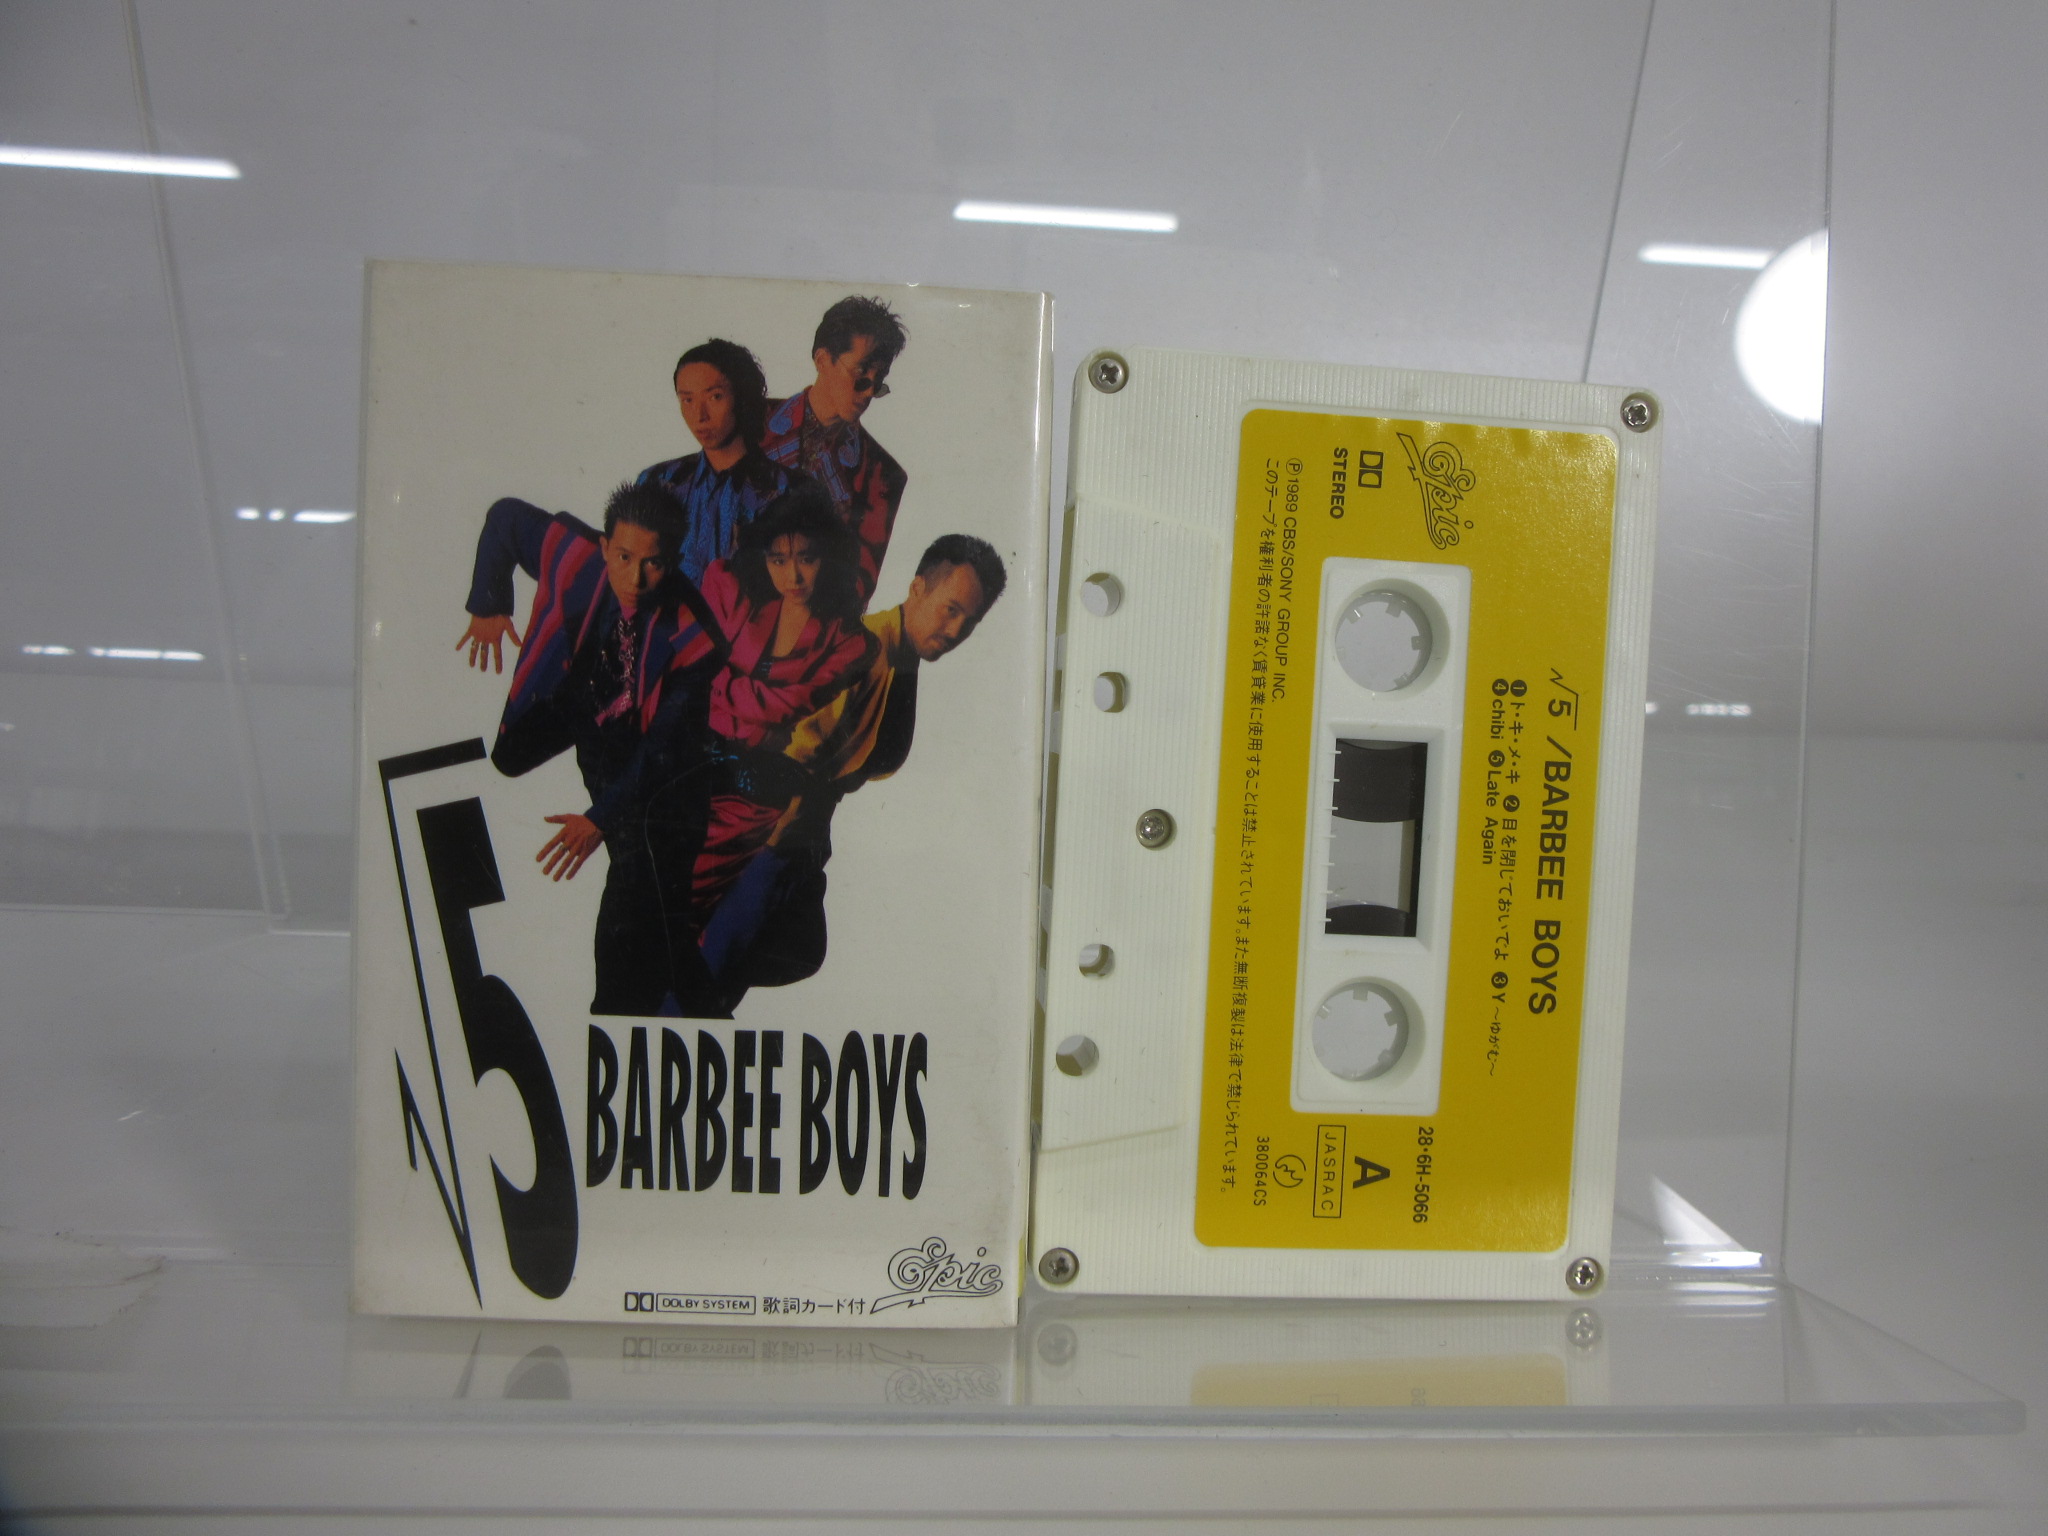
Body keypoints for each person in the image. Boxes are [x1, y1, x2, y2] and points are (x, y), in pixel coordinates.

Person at [695, 534, 1008, 1007]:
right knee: (710, 978)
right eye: (951, 609)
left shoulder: (903, 659)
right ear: (917, 588)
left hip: (801, 844)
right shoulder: (864, 650)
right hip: (770, 840)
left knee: (778, 960)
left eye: (971, 621)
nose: (956, 630)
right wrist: (766, 859)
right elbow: (792, 755)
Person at [456, 481, 726, 1017]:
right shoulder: (571, 554)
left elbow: (662, 747)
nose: (634, 578)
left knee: (637, 865)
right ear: (604, 547)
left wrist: (599, 818)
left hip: (643, 743)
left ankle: (619, 1010)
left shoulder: (693, 636)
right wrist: (490, 602)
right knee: (510, 760)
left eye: (652, 564)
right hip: (570, 697)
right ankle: (682, 995)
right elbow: (505, 516)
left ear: (673, 562)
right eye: (623, 557)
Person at [689, 482, 878, 932]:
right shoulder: (735, 594)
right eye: (778, 560)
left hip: (756, 793)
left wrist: (722, 689)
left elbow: (785, 706)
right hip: (694, 766)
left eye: (806, 559)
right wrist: (723, 690)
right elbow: (696, 671)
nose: (792, 577)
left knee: (701, 899)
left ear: (828, 557)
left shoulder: (850, 643)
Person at [759, 296, 909, 605]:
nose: (868, 393)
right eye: (861, 374)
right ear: (822, 360)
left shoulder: (883, 473)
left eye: (878, 382)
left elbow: (856, 588)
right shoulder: (751, 419)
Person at [634, 338, 798, 582]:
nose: (699, 416)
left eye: (715, 397)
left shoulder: (788, 490)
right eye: (687, 400)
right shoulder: (658, 482)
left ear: (742, 398)